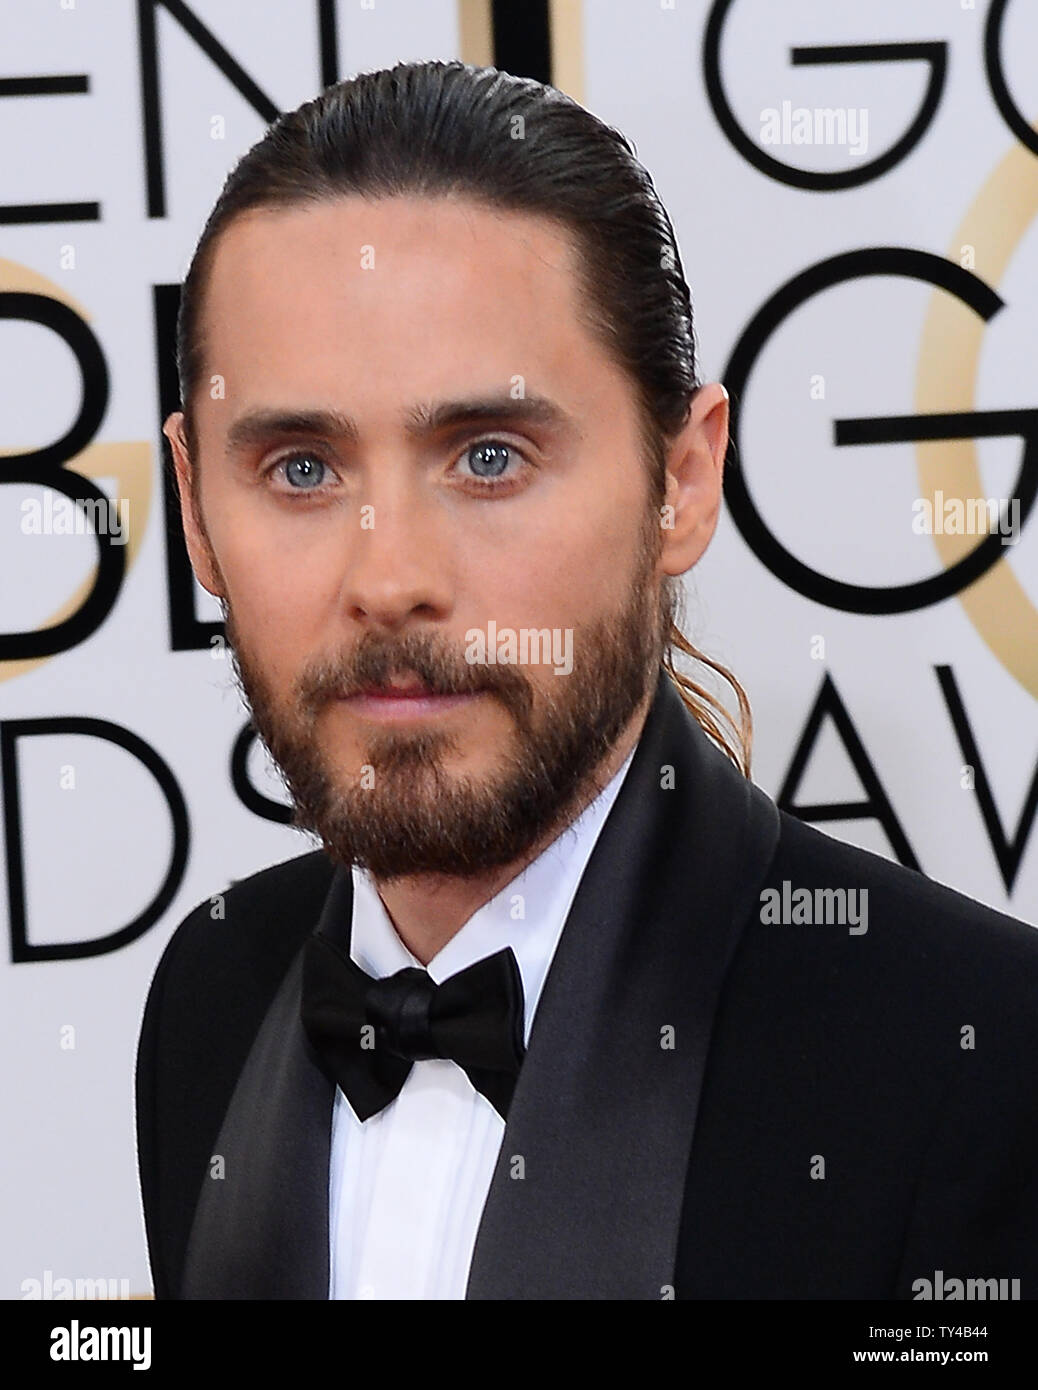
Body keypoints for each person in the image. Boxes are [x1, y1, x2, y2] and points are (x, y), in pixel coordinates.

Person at [135, 59, 1038, 1301]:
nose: (389, 575)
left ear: (683, 480)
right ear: (192, 508)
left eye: (489, 456)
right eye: (300, 469)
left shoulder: (979, 1058)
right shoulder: (210, 993)